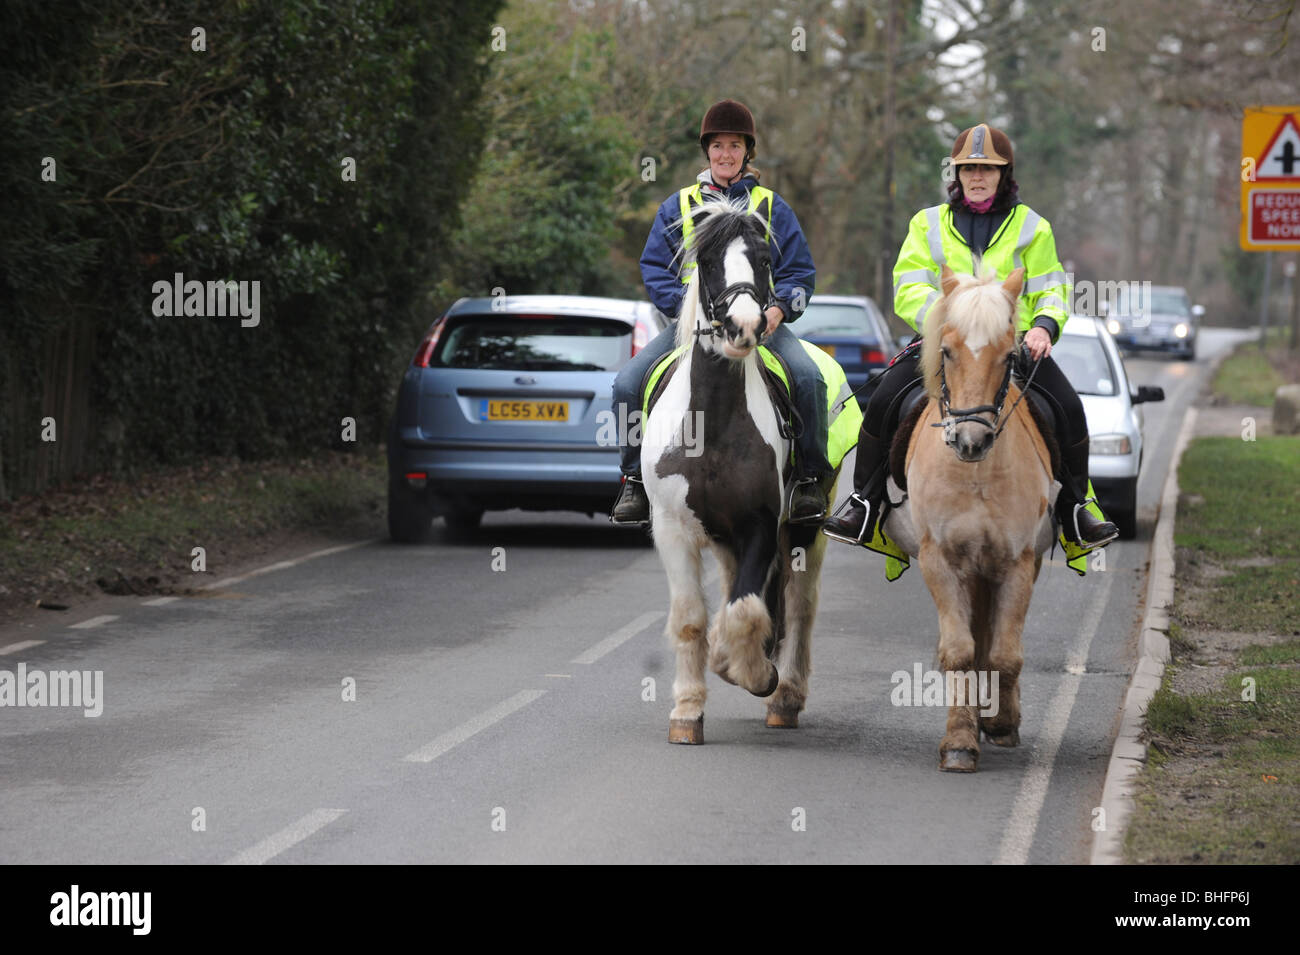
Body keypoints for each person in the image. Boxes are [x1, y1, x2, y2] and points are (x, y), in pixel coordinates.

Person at [823, 123, 1118, 549]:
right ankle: (863, 502)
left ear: (1004, 174)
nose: (977, 177)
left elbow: (1052, 287)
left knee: (1068, 406)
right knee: (885, 399)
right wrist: (947, 321)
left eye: (986, 169)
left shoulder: (1034, 227)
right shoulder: (926, 224)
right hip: (949, 341)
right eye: (968, 169)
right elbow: (909, 286)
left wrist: (1043, 325)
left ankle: (1075, 508)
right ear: (956, 174)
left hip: (1010, 345)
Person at [609, 99, 832, 525]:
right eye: (717, 146)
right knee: (626, 384)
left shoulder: (771, 206)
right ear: (706, 151)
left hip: (759, 325)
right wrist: (686, 310)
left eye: (734, 146)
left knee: (808, 377)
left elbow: (800, 274)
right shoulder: (678, 206)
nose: (725, 154)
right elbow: (655, 268)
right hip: (693, 326)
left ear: (747, 152)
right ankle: (634, 479)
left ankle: (808, 478)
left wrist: (779, 311)